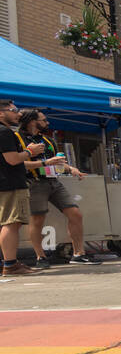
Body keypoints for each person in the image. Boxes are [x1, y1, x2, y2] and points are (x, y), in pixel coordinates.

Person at [19, 109, 100, 265]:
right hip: (34, 182)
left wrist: (71, 169)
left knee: (75, 213)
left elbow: (58, 161)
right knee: (37, 220)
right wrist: (44, 162)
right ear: (32, 121)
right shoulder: (18, 139)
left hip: (54, 181)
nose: (47, 123)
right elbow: (17, 164)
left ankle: (78, 254)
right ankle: (40, 257)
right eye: (43, 120)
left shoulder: (48, 140)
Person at [1, 100, 47, 276]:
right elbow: (12, 159)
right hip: (10, 183)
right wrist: (30, 151)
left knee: (7, 223)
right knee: (12, 223)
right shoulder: (4, 132)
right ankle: (11, 265)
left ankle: (9, 262)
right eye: (13, 110)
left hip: (6, 183)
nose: (18, 114)